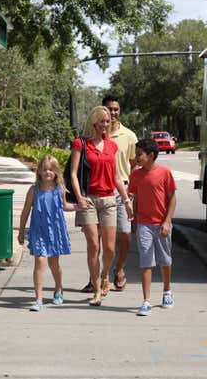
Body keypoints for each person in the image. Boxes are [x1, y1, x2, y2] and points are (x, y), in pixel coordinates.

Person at [69, 105, 132, 306]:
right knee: (94, 246)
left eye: (108, 121)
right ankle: (96, 290)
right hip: (88, 200)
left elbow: (117, 178)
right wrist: (79, 197)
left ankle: (105, 275)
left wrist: (127, 201)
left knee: (110, 248)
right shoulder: (81, 144)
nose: (106, 125)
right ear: (94, 123)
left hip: (109, 201)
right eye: (102, 121)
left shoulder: (112, 147)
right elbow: (73, 173)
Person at [17, 155, 78, 311]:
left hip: (55, 231)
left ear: (56, 172)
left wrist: (78, 206)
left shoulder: (60, 189)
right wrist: (21, 230)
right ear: (39, 171)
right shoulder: (34, 190)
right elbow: (25, 211)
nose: (47, 172)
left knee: (54, 264)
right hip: (39, 231)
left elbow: (64, 206)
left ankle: (58, 288)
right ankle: (38, 299)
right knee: (40, 262)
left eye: (51, 169)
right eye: (44, 169)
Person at [128, 138, 177, 316]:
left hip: (162, 223)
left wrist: (167, 221)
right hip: (144, 224)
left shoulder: (164, 173)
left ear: (151, 155)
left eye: (139, 154)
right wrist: (134, 222)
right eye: (136, 153)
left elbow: (172, 198)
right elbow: (135, 198)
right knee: (146, 262)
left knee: (165, 260)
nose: (136, 157)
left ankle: (167, 291)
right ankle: (146, 300)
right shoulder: (135, 174)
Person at [101, 95, 137, 291]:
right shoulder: (97, 133)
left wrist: (132, 192)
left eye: (116, 109)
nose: (113, 113)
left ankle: (120, 268)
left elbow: (134, 165)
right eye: (109, 109)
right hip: (100, 190)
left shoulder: (129, 136)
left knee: (125, 233)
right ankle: (101, 276)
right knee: (102, 238)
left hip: (122, 189)